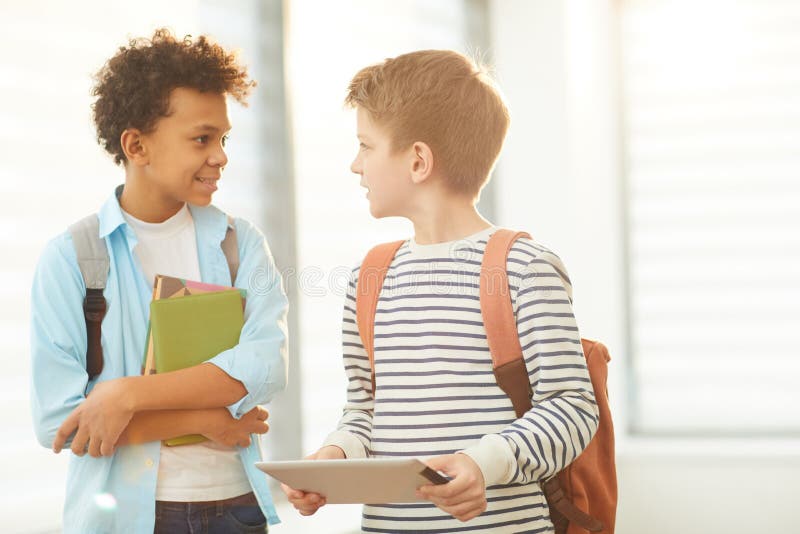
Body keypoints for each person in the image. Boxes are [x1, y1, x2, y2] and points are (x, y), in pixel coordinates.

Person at [282, 49, 599, 532]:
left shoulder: (524, 268)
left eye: (365, 146)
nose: (354, 165)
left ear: (418, 160)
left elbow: (573, 408)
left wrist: (483, 461)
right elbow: (365, 410)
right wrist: (336, 455)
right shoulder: (369, 279)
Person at [30, 29, 288, 533]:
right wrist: (200, 418)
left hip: (237, 508)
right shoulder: (72, 260)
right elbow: (58, 423)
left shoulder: (240, 244)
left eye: (223, 138)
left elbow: (264, 367)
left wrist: (126, 394)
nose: (221, 156)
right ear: (136, 145)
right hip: (128, 518)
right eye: (201, 138)